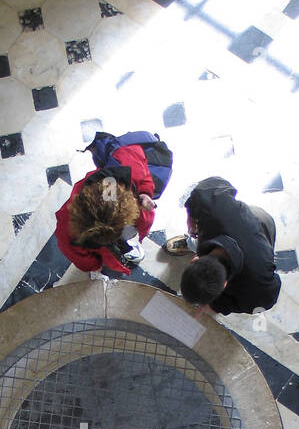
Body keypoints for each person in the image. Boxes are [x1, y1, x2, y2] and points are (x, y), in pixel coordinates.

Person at [55, 131, 173, 275]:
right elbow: (72, 249)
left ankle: (118, 242)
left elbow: (141, 168)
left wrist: (144, 192)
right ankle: (117, 243)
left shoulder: (127, 162)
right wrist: (93, 265)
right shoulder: (66, 228)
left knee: (124, 234)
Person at [171, 176, 280, 317]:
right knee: (195, 238)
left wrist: (218, 307)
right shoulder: (211, 206)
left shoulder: (256, 286)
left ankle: (193, 243)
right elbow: (208, 186)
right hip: (236, 219)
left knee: (259, 218)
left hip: (262, 225)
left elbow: (271, 294)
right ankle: (192, 242)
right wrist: (191, 218)